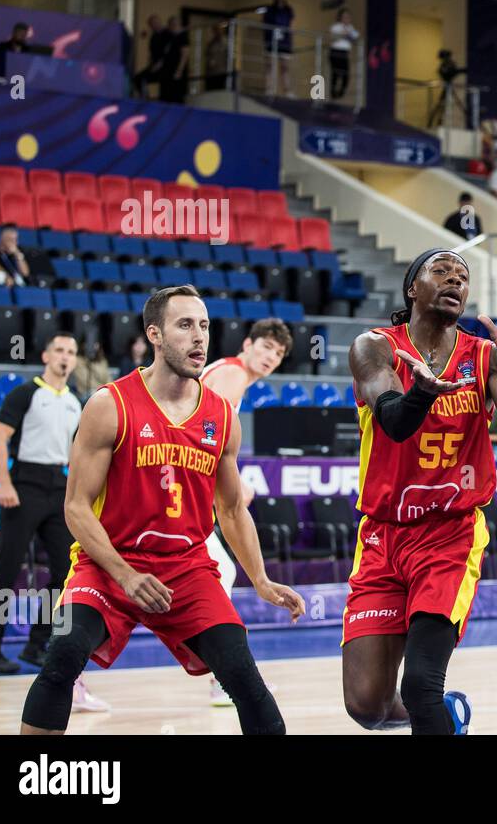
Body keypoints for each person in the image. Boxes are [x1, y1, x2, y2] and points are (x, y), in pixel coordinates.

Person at [19, 287, 304, 735]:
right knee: (62, 658)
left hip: (187, 568)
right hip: (107, 565)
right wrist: (126, 575)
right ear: (155, 334)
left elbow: (231, 508)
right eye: (185, 325)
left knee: (244, 678)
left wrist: (261, 579)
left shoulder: (222, 417)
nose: (199, 338)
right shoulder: (109, 404)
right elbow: (75, 507)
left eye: (205, 326)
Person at [342, 251, 497, 735]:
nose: (455, 280)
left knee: (419, 685)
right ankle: (449, 715)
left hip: (449, 535)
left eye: (463, 276)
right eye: (442, 271)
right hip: (382, 536)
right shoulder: (375, 347)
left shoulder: (484, 354)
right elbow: (393, 422)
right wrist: (422, 392)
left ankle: (434, 708)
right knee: (367, 706)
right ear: (413, 288)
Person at [0, 333, 109, 711]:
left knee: (66, 568)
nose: (65, 357)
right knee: (6, 569)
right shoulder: (25, 393)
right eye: (60, 351)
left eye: (71, 352)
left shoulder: (73, 403)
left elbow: (79, 452)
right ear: (47, 355)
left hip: (58, 485)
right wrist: (4, 482)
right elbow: (0, 439)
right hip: (25, 483)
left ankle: (38, 644)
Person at [199, 318, 292, 705]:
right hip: (172, 489)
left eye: (279, 353)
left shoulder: (227, 375)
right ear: (248, 344)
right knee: (220, 570)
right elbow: (203, 434)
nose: (271, 357)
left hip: (183, 489)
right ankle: (226, 679)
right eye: (267, 347)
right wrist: (232, 485)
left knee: (217, 571)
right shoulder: (233, 375)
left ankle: (224, 677)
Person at [263, 0, 295, 96]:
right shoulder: (270, 10)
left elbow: (290, 23)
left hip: (284, 41)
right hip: (271, 40)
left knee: (285, 66)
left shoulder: (288, 10)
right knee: (270, 65)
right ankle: (269, 89)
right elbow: (266, 24)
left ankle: (287, 90)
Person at [131, 15, 167, 98]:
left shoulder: (167, 34)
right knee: (138, 78)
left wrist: (160, 64)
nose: (154, 25)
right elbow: (152, 53)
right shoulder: (154, 36)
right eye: (152, 24)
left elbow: (168, 53)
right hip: (154, 65)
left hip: (165, 68)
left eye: (156, 22)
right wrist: (150, 64)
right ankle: (146, 99)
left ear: (160, 22)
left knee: (164, 86)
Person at [328, 8, 358, 100]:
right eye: (344, 17)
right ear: (340, 17)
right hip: (335, 51)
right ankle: (333, 93)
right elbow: (332, 38)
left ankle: (340, 93)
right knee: (336, 73)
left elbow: (355, 38)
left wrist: (348, 33)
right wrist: (343, 34)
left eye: (348, 17)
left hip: (345, 53)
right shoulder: (335, 27)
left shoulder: (351, 28)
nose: (346, 19)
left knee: (346, 75)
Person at [158, 16, 189, 104]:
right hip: (167, 69)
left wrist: (179, 70)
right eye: (171, 24)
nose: (173, 26)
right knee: (165, 95)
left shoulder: (183, 36)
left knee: (176, 96)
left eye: (175, 24)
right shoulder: (169, 36)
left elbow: (185, 55)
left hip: (176, 70)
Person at [204, 21, 230, 92]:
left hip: (221, 71)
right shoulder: (211, 42)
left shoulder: (225, 41)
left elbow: (228, 55)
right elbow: (207, 54)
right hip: (211, 72)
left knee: (219, 90)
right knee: (210, 90)